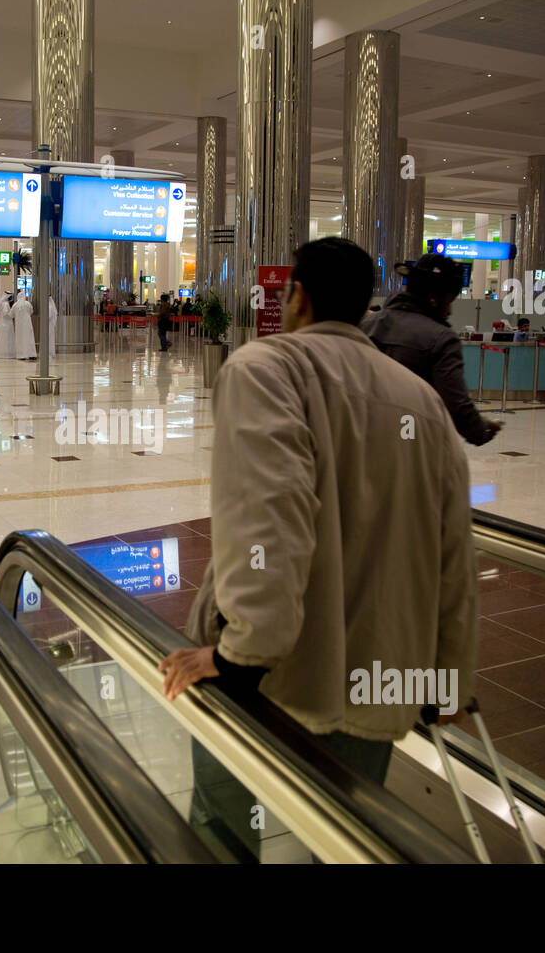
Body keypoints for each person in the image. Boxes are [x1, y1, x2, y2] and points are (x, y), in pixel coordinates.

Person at [160, 238, 476, 860]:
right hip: (380, 676)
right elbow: (453, 556)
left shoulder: (266, 370)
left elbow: (267, 519)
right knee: (344, 838)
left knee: (224, 832)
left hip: (275, 678)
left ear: (298, 296)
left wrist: (242, 654)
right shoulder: (422, 401)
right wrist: (447, 681)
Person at [360, 253, 501, 446]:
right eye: (449, 301)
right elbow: (456, 404)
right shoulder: (441, 338)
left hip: (361, 435)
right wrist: (480, 431)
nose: (449, 312)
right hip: (411, 439)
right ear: (434, 297)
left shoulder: (366, 324)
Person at [11, 292, 37, 360]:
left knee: (20, 339)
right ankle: (31, 354)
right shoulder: (28, 303)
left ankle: (21, 355)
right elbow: (31, 311)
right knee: (29, 338)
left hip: (19, 325)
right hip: (27, 324)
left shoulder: (15, 305)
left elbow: (11, 314)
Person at [0, 292, 16, 359]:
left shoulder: (0, 303)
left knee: (2, 338)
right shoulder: (6, 304)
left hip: (1, 323)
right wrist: (12, 314)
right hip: (7, 323)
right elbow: (6, 314)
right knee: (7, 338)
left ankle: (1, 353)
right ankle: (7, 353)